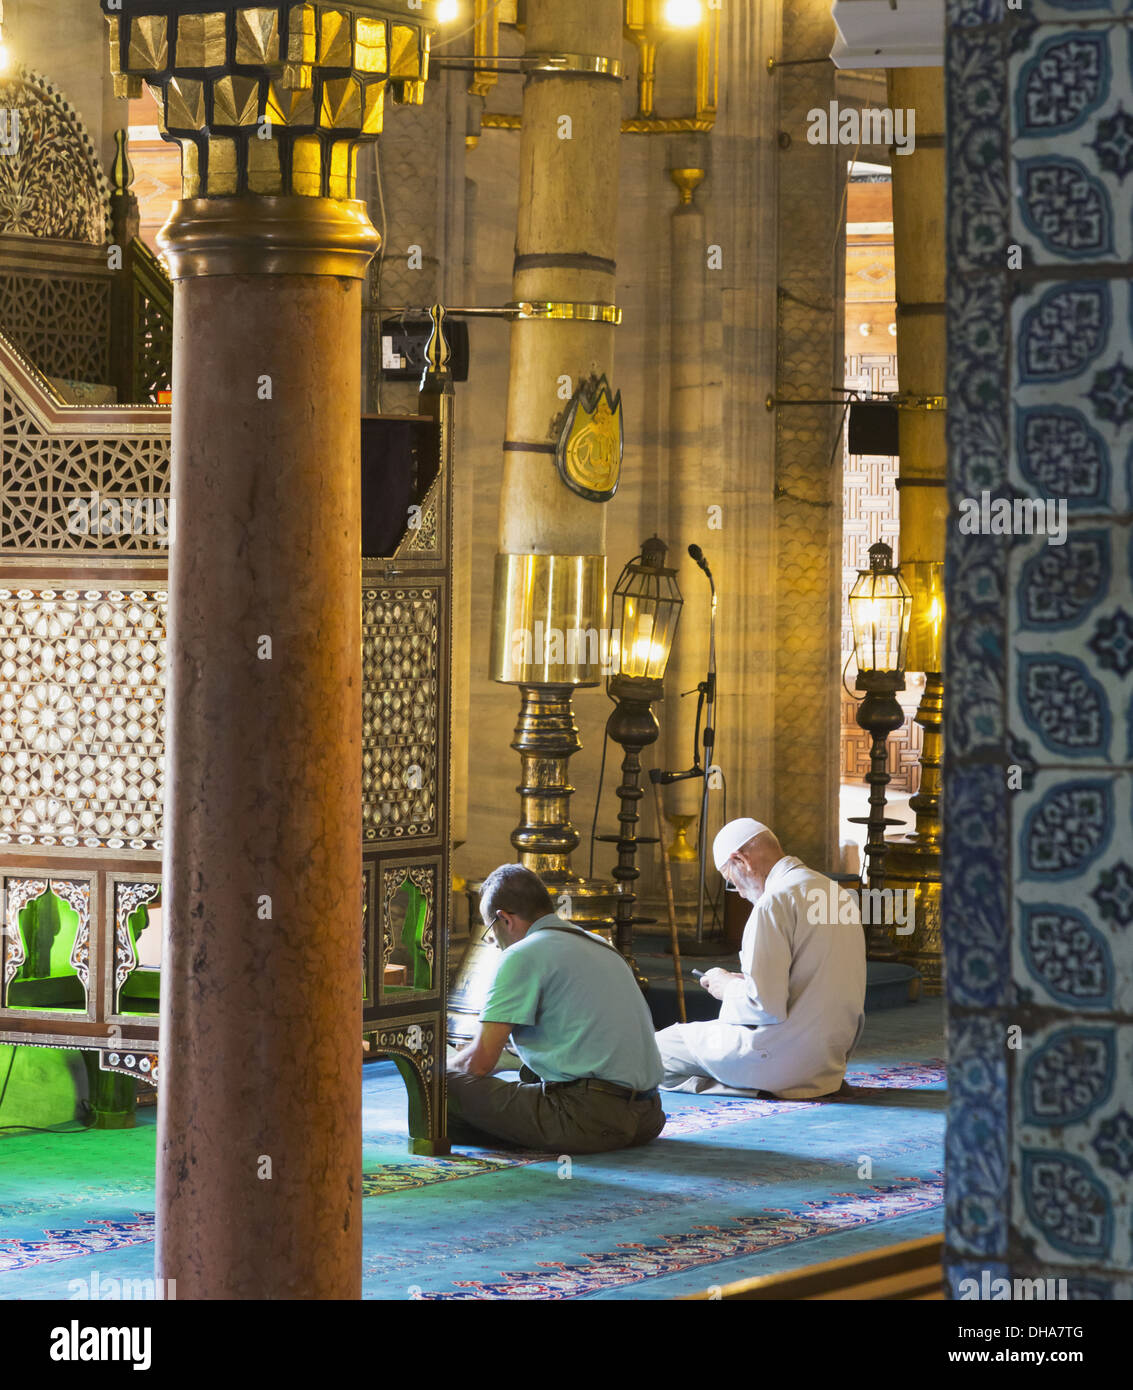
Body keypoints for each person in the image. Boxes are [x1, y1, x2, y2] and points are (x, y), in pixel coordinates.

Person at [447, 863, 666, 1153]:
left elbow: (479, 1064)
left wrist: (439, 1074)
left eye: (490, 931)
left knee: (442, 1089)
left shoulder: (521, 955)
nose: (494, 942)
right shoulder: (600, 944)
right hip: (648, 1117)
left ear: (505, 919)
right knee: (522, 1079)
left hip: (589, 1119)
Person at [655, 818, 866, 1098]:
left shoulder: (773, 902)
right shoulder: (835, 893)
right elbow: (814, 978)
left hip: (781, 1057)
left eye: (731, 881)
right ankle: (763, 1084)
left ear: (741, 860)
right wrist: (751, 982)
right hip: (830, 1061)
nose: (740, 893)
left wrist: (726, 985)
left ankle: (755, 1089)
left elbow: (763, 1006)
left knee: (653, 1049)